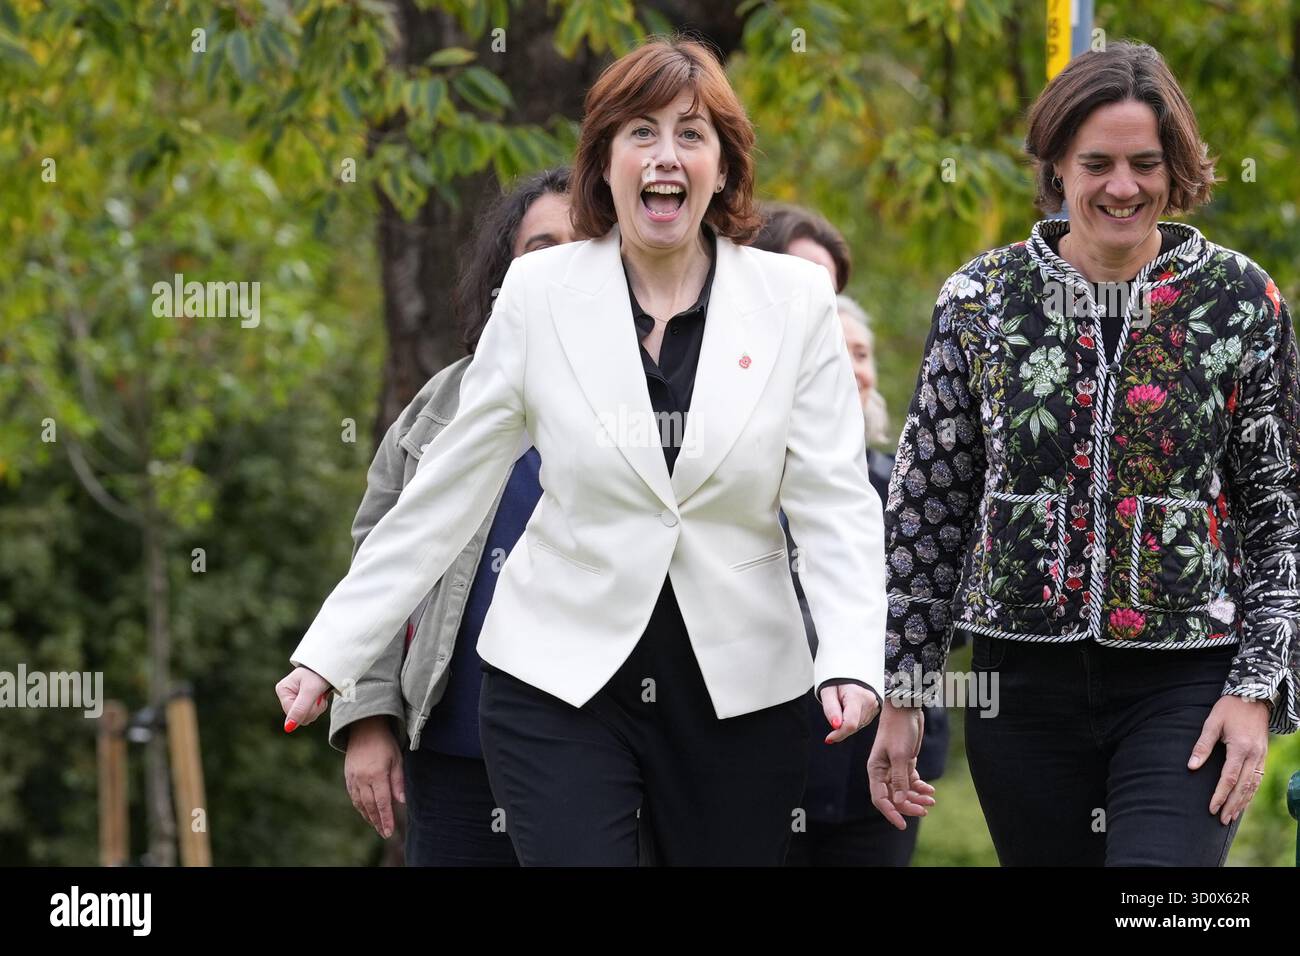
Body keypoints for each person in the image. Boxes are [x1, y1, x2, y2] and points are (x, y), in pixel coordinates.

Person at [277, 37, 919, 866]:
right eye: (640, 133)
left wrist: (851, 659)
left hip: (743, 687)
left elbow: (834, 503)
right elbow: (446, 492)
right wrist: (333, 652)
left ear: (723, 168)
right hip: (556, 682)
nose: (665, 156)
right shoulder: (542, 294)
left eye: (692, 135)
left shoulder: (794, 301)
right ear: (604, 163)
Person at [872, 40, 1299, 865]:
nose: (1122, 186)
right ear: (1057, 166)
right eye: (1096, 162)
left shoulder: (1241, 300)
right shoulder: (981, 299)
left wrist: (1256, 687)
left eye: (1145, 163)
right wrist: (905, 688)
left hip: (1186, 679)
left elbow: (1280, 511)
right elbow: (929, 510)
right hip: (1017, 686)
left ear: (1175, 169)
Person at [332, 168, 573, 866]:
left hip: (593, 759)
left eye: (581, 244)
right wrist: (369, 719)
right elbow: (378, 561)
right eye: (541, 246)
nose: (560, 262)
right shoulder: (441, 405)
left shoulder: (649, 405)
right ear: (505, 276)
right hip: (452, 760)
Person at [752, 205, 948, 865]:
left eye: (860, 352)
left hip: (879, 759)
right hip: (766, 757)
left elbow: (943, 601)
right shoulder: (734, 473)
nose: (851, 367)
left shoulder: (903, 486)